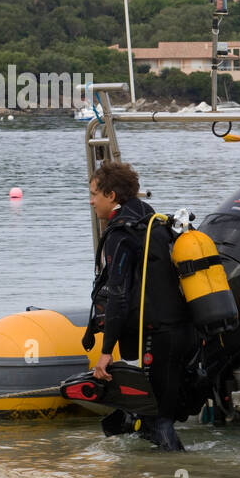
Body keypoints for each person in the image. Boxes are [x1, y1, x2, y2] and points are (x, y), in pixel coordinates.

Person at [84, 161, 196, 451]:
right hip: (181, 330)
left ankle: (179, 472)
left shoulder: (121, 233)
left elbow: (118, 295)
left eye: (95, 193)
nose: (91, 200)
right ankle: (155, 473)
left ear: (111, 195)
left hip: (153, 338)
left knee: (157, 419)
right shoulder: (152, 219)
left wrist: (106, 352)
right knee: (158, 414)